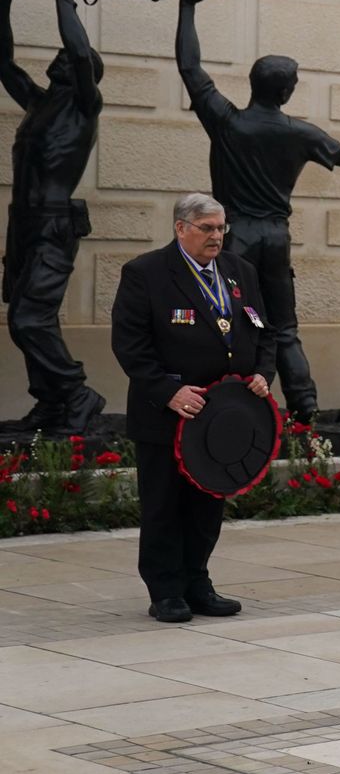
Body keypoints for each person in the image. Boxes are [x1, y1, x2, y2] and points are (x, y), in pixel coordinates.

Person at [175, 0, 340, 422]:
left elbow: (190, 67)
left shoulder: (227, 122)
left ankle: (233, 404)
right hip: (274, 238)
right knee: (283, 329)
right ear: (286, 92)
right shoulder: (300, 134)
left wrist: (187, 7)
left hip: (235, 237)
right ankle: (305, 406)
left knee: (230, 322)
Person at [109, 194, 274, 623]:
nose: (217, 236)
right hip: (168, 414)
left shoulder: (240, 272)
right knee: (164, 505)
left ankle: (198, 583)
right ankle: (166, 591)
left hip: (221, 419)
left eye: (221, 228)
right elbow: (131, 346)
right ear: (181, 228)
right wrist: (168, 392)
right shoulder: (146, 273)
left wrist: (262, 373)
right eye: (207, 228)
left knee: (206, 507)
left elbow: (263, 331)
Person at [3, 0, 108, 432]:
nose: (60, 58)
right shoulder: (40, 103)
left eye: (66, 57)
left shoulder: (85, 105)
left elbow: (83, 54)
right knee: (25, 317)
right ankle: (50, 402)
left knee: (29, 319)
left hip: (53, 224)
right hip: (24, 223)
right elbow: (3, 62)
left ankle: (77, 393)